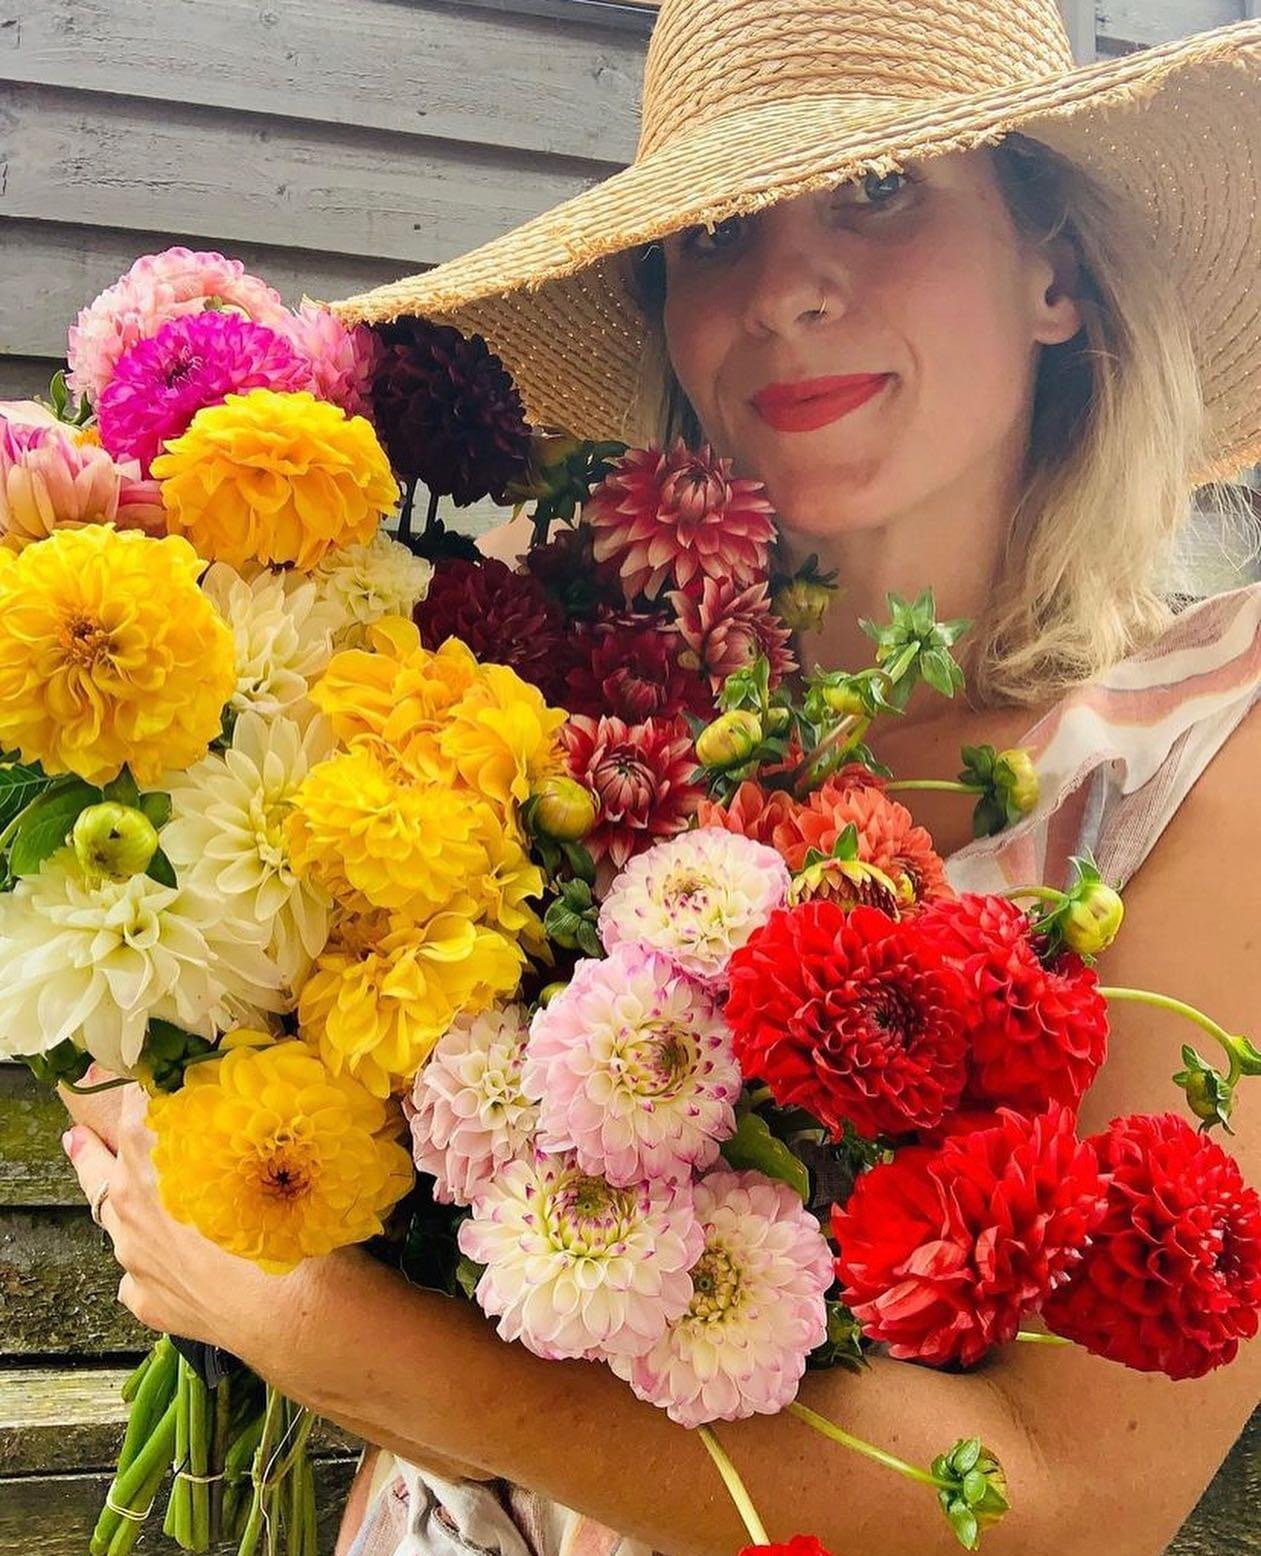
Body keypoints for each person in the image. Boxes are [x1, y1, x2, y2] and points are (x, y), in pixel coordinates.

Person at [60, 0, 1261, 1552]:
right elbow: (175, 1011)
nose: (782, 292)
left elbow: (1070, 1501)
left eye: (881, 193)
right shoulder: (531, 671)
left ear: (1054, 269)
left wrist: (340, 1344)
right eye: (715, 233)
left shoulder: (1200, 757)